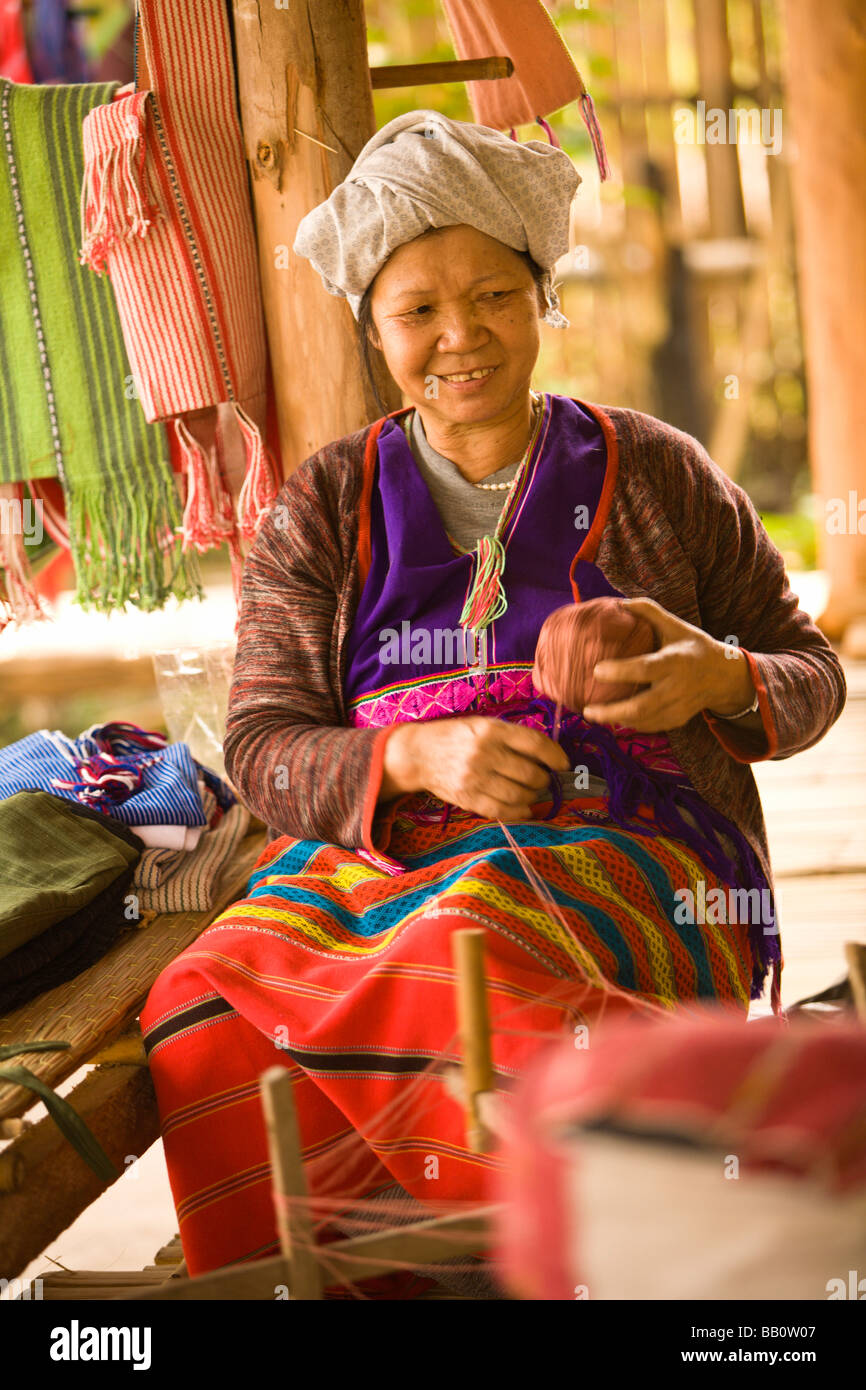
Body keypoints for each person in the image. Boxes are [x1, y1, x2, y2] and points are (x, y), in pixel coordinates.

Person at [141, 110, 846, 1281]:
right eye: (417, 310)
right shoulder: (319, 507)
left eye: (493, 297)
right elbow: (262, 744)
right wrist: (410, 763)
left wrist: (710, 677)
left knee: (479, 938)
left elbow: (810, 673)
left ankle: (546, 1259)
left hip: (628, 847)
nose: (459, 336)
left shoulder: (657, 470)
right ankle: (335, 1277)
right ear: (373, 327)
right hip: (379, 863)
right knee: (201, 1001)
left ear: (539, 300)